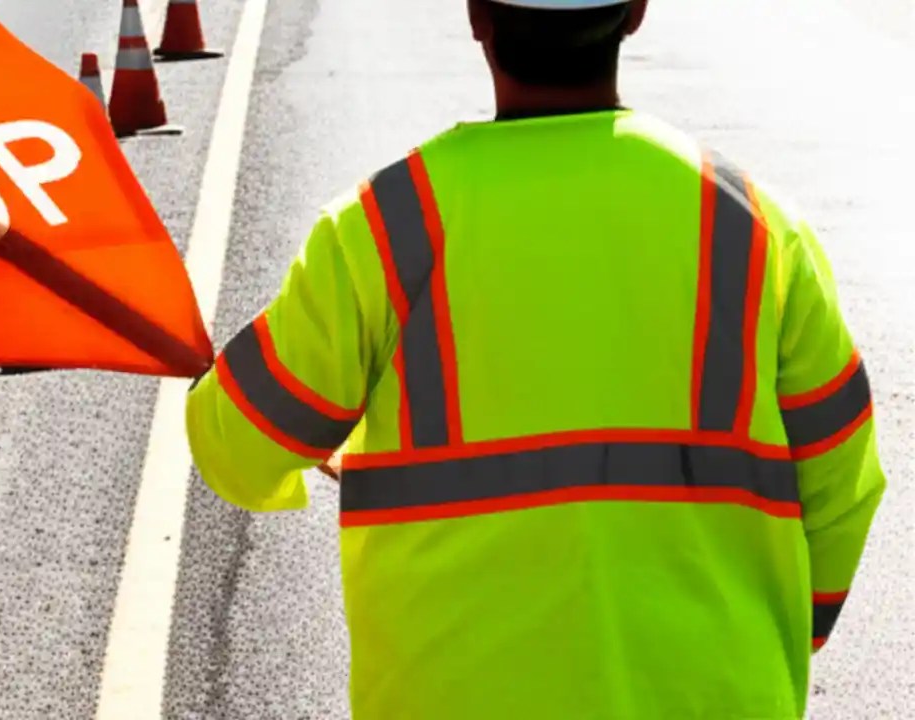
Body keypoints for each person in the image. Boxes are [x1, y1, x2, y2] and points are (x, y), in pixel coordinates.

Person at [184, 0, 887, 717]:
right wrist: (776, 635)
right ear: (635, 13)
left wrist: (213, 387)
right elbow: (844, 481)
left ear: (477, 17)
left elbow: (241, 446)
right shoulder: (756, 227)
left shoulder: (386, 224)